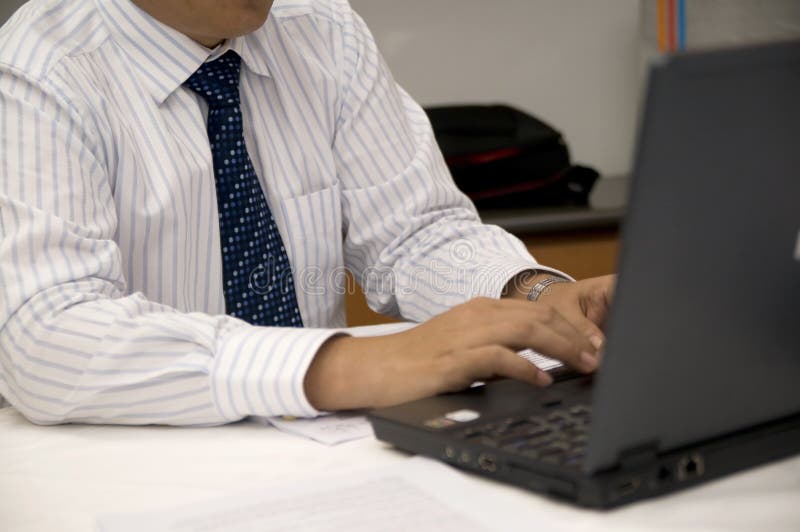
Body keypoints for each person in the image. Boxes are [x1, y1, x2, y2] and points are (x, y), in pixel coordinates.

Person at [0, 0, 614, 425]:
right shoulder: (35, 71)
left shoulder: (320, 27)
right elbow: (45, 337)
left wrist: (530, 297)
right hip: (130, 472)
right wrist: (339, 365)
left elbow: (415, 233)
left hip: (318, 452)